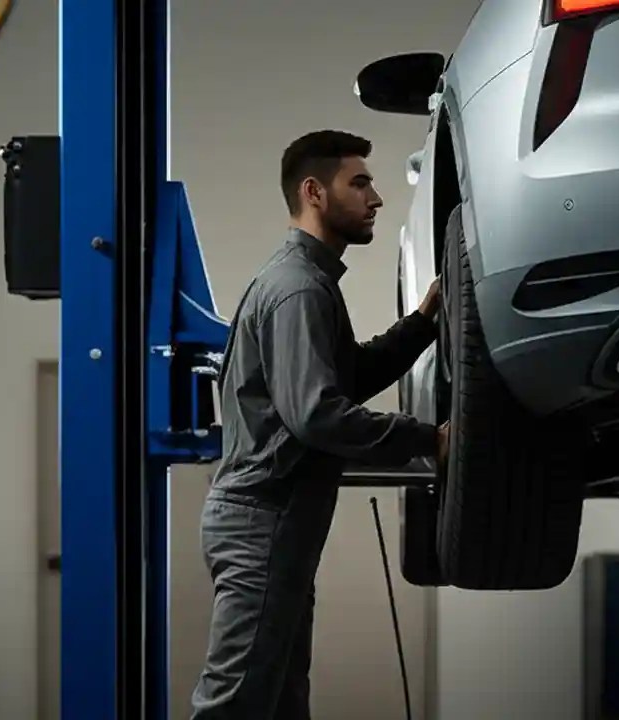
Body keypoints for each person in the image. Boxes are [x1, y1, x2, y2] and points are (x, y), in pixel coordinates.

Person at [190, 129, 449, 719]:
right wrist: (426, 440)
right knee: (234, 706)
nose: (376, 198)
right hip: (264, 523)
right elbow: (318, 415)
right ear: (314, 192)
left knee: (280, 703)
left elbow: (345, 377)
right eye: (359, 183)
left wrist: (422, 324)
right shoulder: (299, 289)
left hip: (273, 526)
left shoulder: (308, 283)